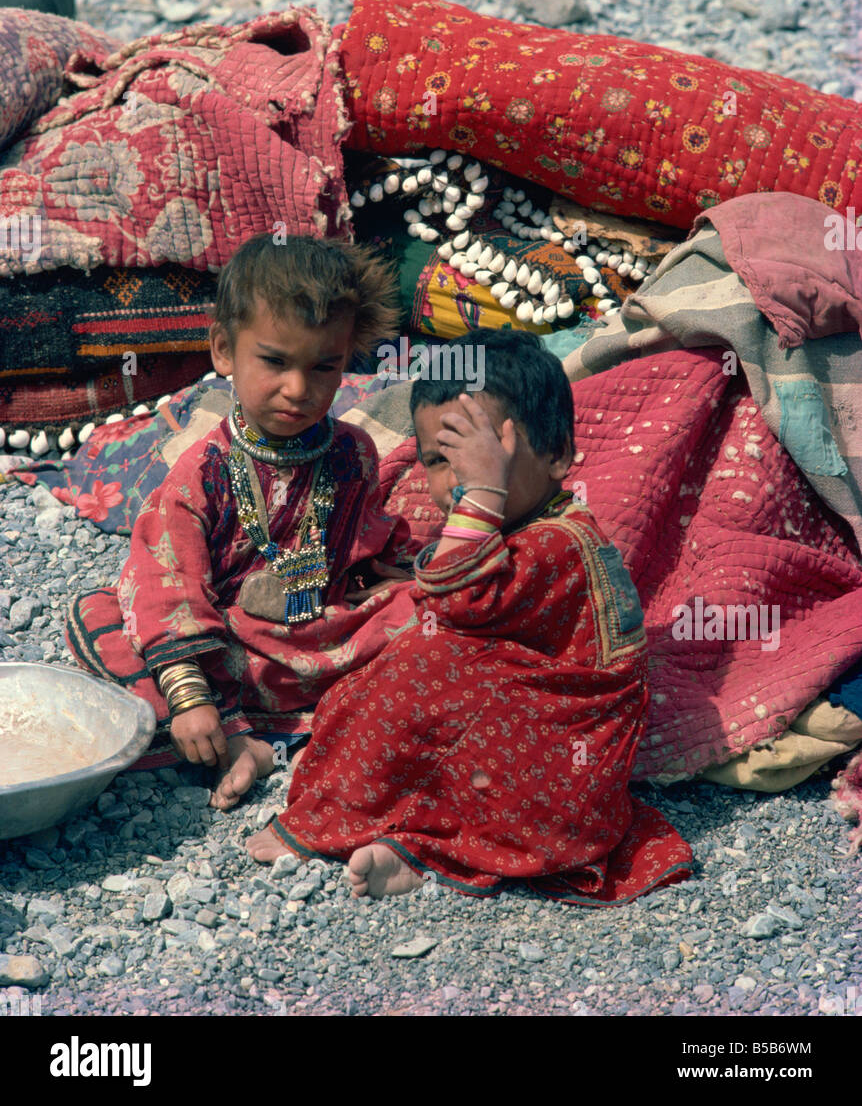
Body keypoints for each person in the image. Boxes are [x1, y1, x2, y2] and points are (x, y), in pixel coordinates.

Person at [247, 329, 691, 905]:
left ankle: (344, 819)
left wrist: (483, 492)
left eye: (483, 454)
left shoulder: (561, 542)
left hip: (557, 788)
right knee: (395, 660)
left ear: (557, 454)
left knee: (422, 664)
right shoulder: (505, 530)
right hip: (505, 754)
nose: (459, 480)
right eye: (439, 460)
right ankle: (420, 849)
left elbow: (458, 607)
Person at [65, 233, 417, 809]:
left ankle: (257, 736)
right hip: (221, 647)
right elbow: (166, 583)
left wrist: (400, 579)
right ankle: (235, 727)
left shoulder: (353, 454)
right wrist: (189, 693)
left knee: (417, 613)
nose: (298, 390)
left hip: (311, 635)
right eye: (274, 362)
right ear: (224, 350)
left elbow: (368, 548)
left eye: (324, 366)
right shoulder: (201, 472)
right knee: (99, 616)